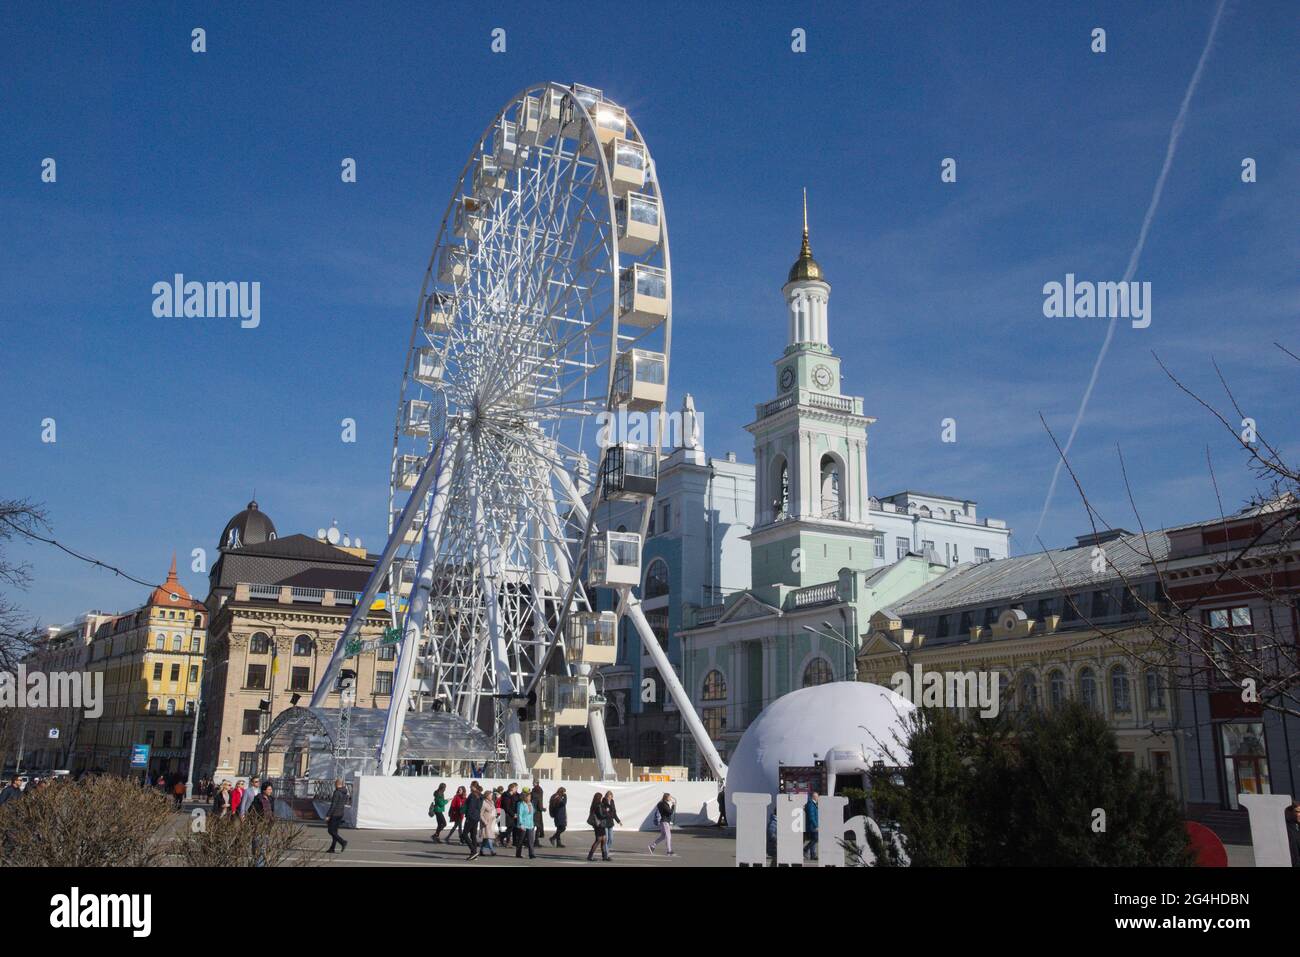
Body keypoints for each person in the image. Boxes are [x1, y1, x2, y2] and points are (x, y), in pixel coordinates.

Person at [326, 779, 349, 854]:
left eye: (335, 783)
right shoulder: (345, 792)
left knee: (331, 831)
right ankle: (332, 848)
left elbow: (333, 805)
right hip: (340, 813)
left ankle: (343, 842)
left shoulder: (337, 792)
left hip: (335, 814)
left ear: (337, 784)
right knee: (335, 831)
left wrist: (328, 815)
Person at [463, 782, 485, 861]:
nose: (469, 787)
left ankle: (473, 851)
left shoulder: (473, 795)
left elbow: (471, 807)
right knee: (473, 836)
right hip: (476, 817)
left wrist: (468, 816)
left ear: (473, 787)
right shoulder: (480, 795)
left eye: (471, 786)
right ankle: (474, 855)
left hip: (471, 817)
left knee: (464, 834)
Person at [587, 793, 610, 861]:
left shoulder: (594, 804)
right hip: (599, 825)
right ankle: (590, 856)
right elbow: (600, 815)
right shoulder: (598, 805)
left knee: (603, 839)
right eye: (601, 797)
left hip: (599, 825)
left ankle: (604, 856)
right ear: (599, 798)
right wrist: (607, 814)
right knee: (599, 840)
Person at [514, 789, 537, 859]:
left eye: (530, 797)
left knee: (531, 840)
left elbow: (533, 813)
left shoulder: (530, 804)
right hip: (523, 824)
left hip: (530, 824)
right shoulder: (521, 804)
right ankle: (518, 853)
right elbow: (520, 814)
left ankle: (531, 854)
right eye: (529, 797)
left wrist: (533, 823)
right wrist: (520, 824)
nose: (530, 798)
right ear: (525, 797)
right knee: (521, 840)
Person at [478, 786, 499, 856]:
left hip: (492, 823)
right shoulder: (483, 803)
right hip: (486, 823)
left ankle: (481, 850)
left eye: (492, 795)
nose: (491, 796)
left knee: (486, 838)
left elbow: (493, 810)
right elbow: (480, 814)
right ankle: (492, 851)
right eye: (490, 795)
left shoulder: (492, 802)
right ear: (487, 796)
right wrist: (484, 822)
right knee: (489, 838)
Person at [803, 790, 820, 861]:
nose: (818, 798)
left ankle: (813, 855)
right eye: (817, 796)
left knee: (814, 839)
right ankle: (805, 849)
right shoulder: (811, 804)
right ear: (814, 797)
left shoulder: (813, 804)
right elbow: (811, 816)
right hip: (812, 826)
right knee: (815, 839)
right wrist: (816, 825)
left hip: (812, 825)